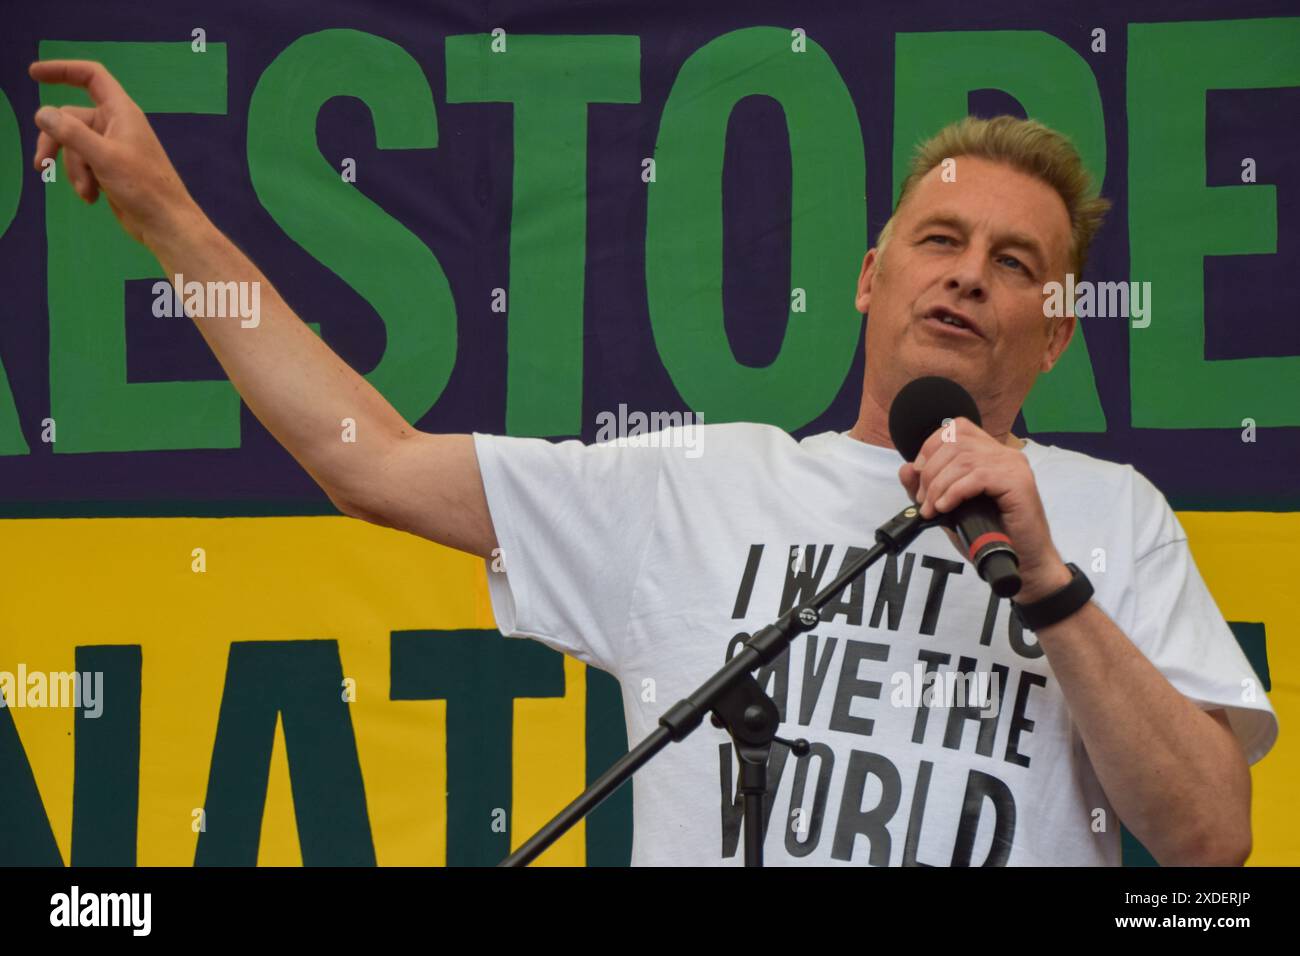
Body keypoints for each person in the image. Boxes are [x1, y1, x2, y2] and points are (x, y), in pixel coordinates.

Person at [29, 59, 1278, 867]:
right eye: (938, 238)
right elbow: (374, 460)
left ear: (1055, 330)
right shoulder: (699, 483)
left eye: (1014, 262)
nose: (967, 271)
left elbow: (1210, 840)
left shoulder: (1114, 515)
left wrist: (1051, 579)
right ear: (867, 277)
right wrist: (166, 216)